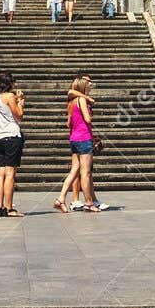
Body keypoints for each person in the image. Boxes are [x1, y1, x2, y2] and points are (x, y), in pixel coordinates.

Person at [56, 76, 107, 212]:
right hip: (84, 139)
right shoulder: (82, 100)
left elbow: (68, 123)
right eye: (88, 85)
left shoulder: (71, 103)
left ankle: (60, 199)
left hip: (74, 139)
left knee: (74, 171)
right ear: (83, 87)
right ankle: (89, 203)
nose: (90, 86)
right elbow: (87, 119)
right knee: (86, 173)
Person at [0, 72, 26, 217]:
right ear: (10, 83)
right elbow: (19, 116)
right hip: (12, 136)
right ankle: (9, 208)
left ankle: (1, 207)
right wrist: (20, 102)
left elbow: (5, 111)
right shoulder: (10, 96)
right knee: (10, 173)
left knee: (0, 174)